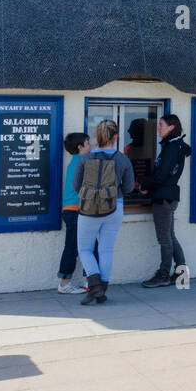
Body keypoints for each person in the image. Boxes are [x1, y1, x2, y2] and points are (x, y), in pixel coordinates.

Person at [73, 119, 135, 306]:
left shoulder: (85, 158)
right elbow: (130, 187)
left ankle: (94, 285)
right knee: (106, 249)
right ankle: (103, 288)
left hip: (88, 209)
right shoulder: (122, 159)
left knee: (84, 249)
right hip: (114, 207)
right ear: (115, 137)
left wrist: (92, 196)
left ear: (96, 137)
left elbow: (76, 186)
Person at [140, 114, 192, 288]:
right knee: (170, 236)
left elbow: (162, 175)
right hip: (168, 196)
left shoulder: (171, 148)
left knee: (164, 238)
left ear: (171, 127)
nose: (158, 128)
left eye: (161, 125)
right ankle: (181, 276)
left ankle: (163, 274)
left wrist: (144, 185)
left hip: (163, 197)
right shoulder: (174, 146)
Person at [56, 133, 91, 294]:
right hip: (76, 210)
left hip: (72, 210)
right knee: (76, 247)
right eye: (87, 143)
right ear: (80, 147)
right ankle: (65, 284)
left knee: (79, 246)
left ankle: (88, 281)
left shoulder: (75, 162)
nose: (90, 146)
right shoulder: (82, 162)